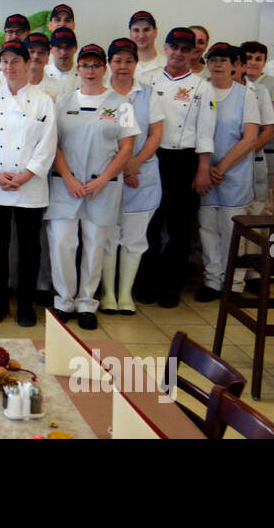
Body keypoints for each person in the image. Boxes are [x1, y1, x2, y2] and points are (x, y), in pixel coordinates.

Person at [45, 43, 137, 330]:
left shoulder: (122, 104)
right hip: (65, 185)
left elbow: (126, 147)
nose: (90, 70)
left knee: (96, 245)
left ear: (104, 69)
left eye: (96, 65)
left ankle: (86, 303)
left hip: (103, 186)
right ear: (78, 68)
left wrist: (101, 180)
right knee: (62, 243)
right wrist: (69, 178)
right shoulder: (62, 102)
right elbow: (53, 144)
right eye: (85, 65)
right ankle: (64, 301)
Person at [135, 27, 216, 308]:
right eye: (175, 47)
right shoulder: (146, 80)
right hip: (152, 158)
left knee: (180, 228)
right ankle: (147, 282)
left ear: (194, 52)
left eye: (186, 49)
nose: (179, 53)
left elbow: (206, 131)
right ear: (166, 48)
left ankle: (171, 286)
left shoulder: (202, 86)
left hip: (184, 161)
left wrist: (203, 167)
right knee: (151, 224)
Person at [0, 40, 56, 326]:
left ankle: (25, 304)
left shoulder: (44, 100)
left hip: (30, 185)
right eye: (5, 62)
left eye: (15, 61)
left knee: (29, 247)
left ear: (28, 63)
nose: (9, 67)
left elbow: (48, 143)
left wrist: (27, 174)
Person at [99, 39, 163, 316]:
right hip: (107, 176)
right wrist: (119, 169)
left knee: (135, 239)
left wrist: (134, 164)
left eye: (128, 61)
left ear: (136, 64)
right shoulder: (98, 95)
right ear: (109, 64)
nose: (123, 66)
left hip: (142, 175)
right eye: (117, 61)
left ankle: (125, 293)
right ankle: (108, 293)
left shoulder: (149, 94)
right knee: (108, 236)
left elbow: (156, 134)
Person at [193, 43, 260, 302]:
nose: (218, 64)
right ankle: (212, 281)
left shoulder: (245, 95)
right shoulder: (199, 91)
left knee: (232, 230)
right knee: (207, 228)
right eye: (213, 59)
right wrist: (206, 169)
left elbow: (250, 138)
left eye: (224, 60)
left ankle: (234, 283)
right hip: (204, 172)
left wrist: (220, 168)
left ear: (235, 65)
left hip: (233, 173)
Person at [241, 41, 274, 215]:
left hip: (265, 150)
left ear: (264, 62)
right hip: (237, 154)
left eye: (258, 59)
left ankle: (260, 242)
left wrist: (250, 140)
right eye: (248, 58)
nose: (253, 62)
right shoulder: (233, 82)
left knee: (263, 206)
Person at [128, 11, 164, 79]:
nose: (141, 36)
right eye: (136, 30)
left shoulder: (168, 65)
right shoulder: (113, 66)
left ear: (156, 32)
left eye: (146, 30)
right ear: (130, 33)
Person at [46, 26, 81, 92]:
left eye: (68, 47)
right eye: (59, 47)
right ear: (50, 49)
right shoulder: (43, 74)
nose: (63, 52)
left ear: (76, 48)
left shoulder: (85, 76)